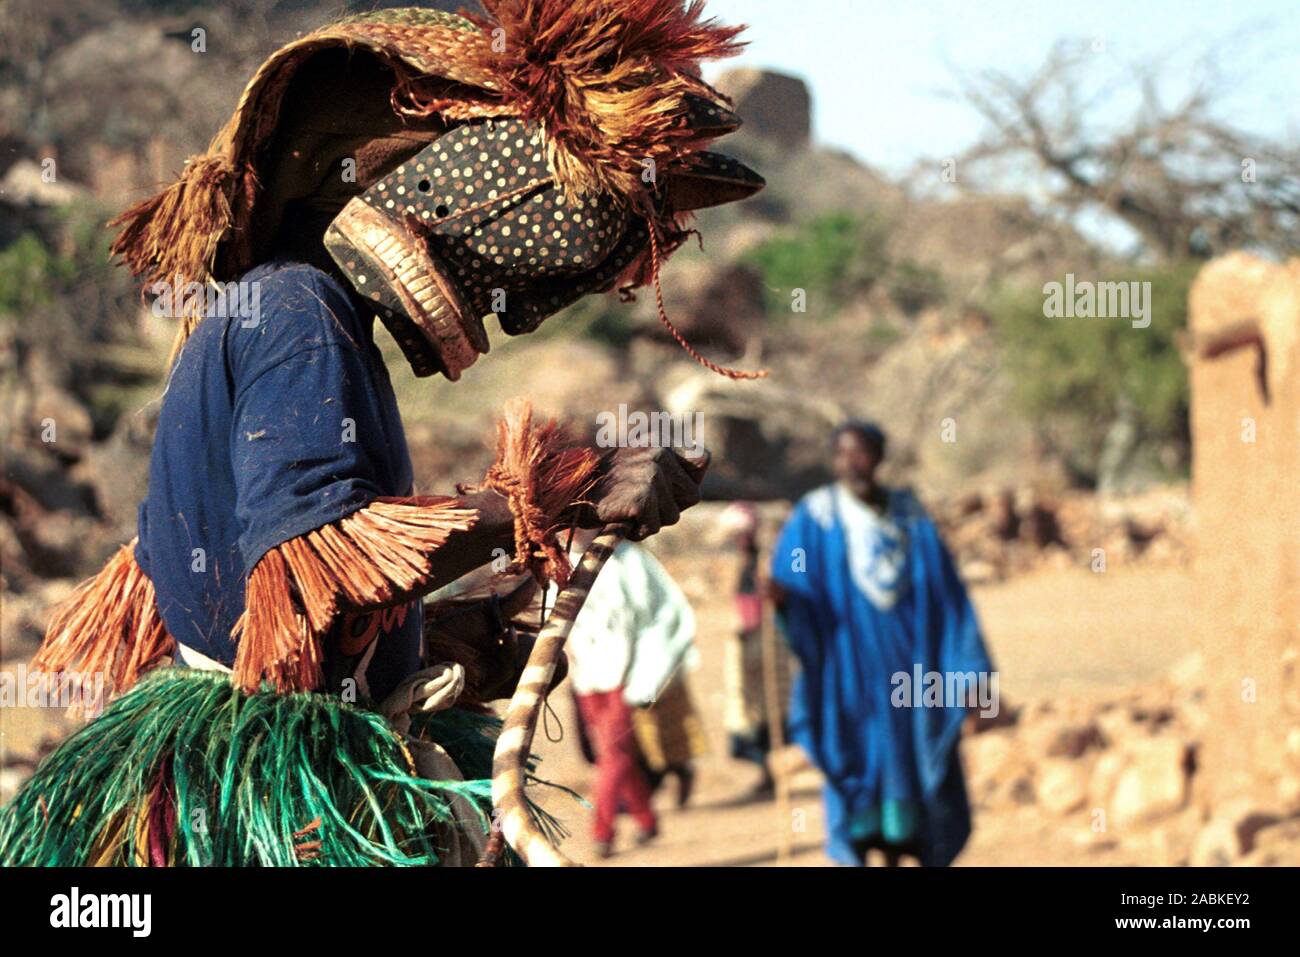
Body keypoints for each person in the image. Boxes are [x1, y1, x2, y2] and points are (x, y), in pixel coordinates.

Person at [0, 1, 762, 867]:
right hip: (287, 811)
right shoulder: (295, 312)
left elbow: (307, 625)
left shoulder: (299, 316)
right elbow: (314, 559)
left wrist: (463, 628)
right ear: (394, 172)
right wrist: (558, 496)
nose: (519, 308)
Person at [768, 422, 993, 867]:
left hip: (914, 670)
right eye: (842, 454)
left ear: (878, 457)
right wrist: (782, 600)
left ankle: (907, 847)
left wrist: (969, 676)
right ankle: (867, 850)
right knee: (854, 755)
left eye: (861, 453)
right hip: (846, 672)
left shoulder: (911, 516)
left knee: (913, 756)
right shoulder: (816, 517)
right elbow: (795, 592)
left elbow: (949, 599)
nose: (851, 463)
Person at [563, 528, 704, 857]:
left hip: (623, 676)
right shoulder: (563, 565)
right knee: (612, 754)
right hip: (585, 677)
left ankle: (603, 831)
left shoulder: (629, 562)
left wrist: (648, 671)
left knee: (613, 753)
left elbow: (662, 615)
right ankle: (646, 819)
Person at [719, 501, 791, 796]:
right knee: (745, 709)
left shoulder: (767, 563)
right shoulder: (736, 564)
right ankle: (766, 769)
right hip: (742, 645)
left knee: (770, 709)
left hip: (766, 644)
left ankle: (773, 771)